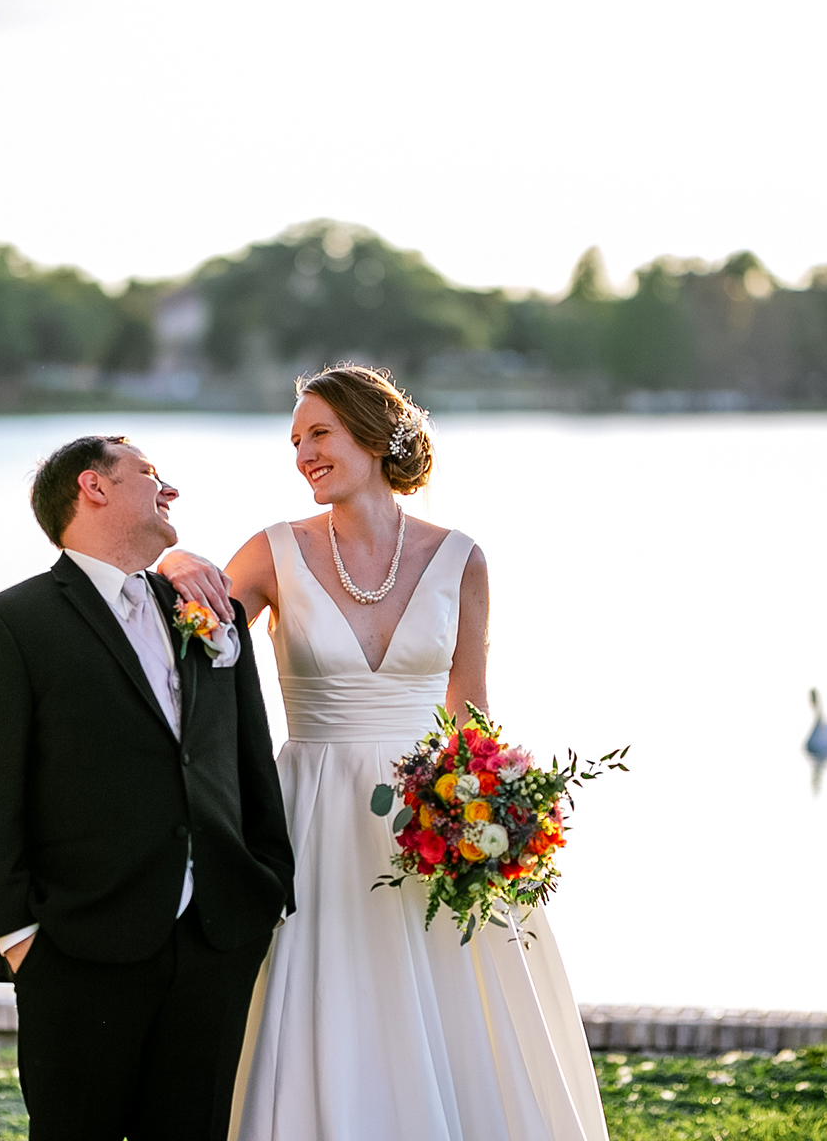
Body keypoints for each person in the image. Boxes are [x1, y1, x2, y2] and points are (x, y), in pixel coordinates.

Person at [161, 366, 608, 1141]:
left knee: (454, 1008)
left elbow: (471, 715)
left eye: (319, 433)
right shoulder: (273, 552)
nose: (303, 454)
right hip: (310, 813)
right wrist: (173, 565)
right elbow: (188, 636)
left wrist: (491, 816)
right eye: (295, 441)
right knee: (320, 994)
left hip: (433, 816)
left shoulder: (461, 558)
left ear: (373, 435)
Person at [0, 435, 297, 1141]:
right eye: (149, 474)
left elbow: (249, 757)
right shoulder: (8, 626)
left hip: (216, 942)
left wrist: (266, 889)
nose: (170, 490)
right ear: (94, 487)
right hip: (77, 952)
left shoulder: (207, 608)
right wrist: (20, 940)